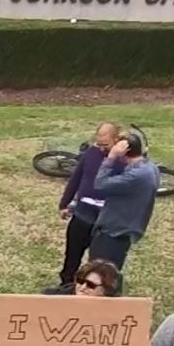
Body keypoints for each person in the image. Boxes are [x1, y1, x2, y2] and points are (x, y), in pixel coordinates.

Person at [52, 123, 120, 289]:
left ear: (116, 140)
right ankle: (66, 283)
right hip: (83, 212)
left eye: (106, 145)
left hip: (106, 216)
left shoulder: (124, 160)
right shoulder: (91, 153)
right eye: (99, 144)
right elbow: (76, 178)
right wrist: (64, 203)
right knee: (73, 252)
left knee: (99, 260)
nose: (102, 148)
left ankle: (95, 289)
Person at [88, 130, 160, 271]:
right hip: (123, 230)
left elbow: (100, 184)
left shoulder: (136, 175)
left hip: (114, 232)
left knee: (99, 273)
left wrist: (111, 158)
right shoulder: (150, 168)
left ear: (124, 150)